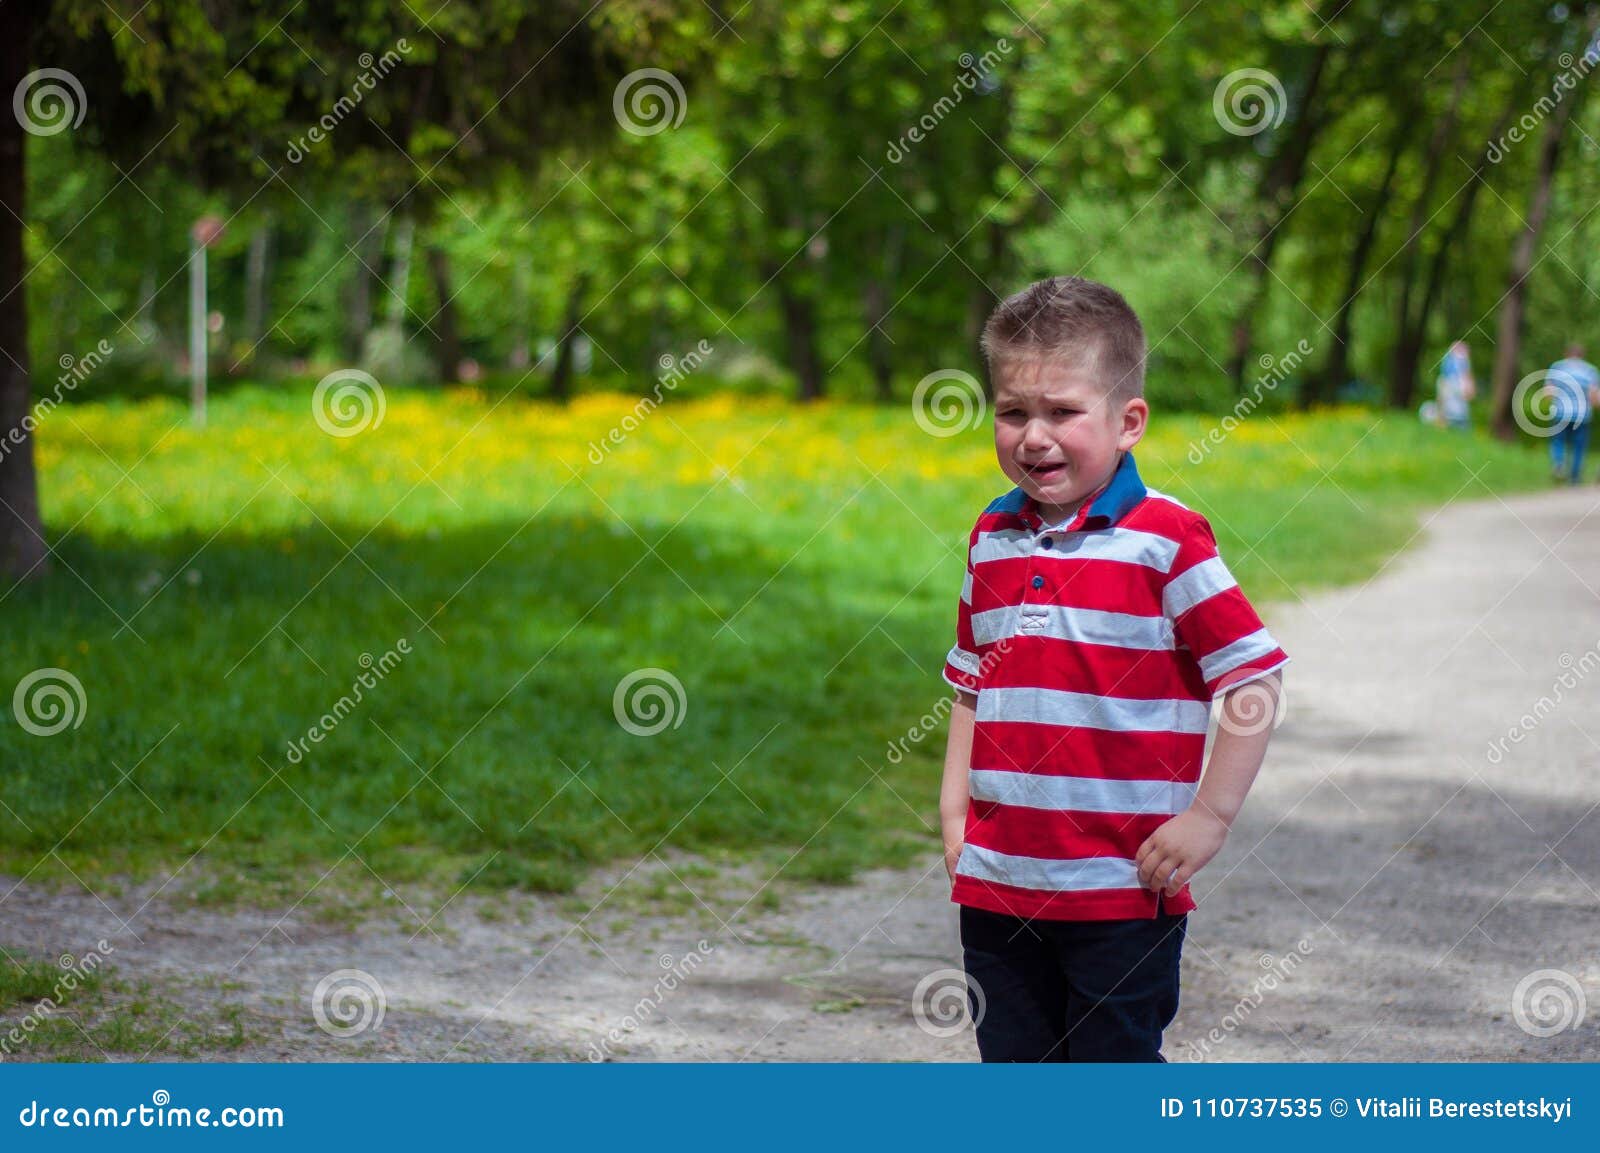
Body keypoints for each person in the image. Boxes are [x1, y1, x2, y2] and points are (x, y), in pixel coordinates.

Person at [938, 276, 1288, 1063]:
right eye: (1013, 412)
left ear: (1129, 421)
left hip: (1123, 889)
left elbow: (1252, 677)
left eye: (1063, 411)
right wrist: (955, 810)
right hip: (999, 880)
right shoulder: (991, 535)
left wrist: (1210, 816)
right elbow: (971, 683)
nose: (1034, 436)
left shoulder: (1166, 538)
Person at [1542, 344, 1599, 484]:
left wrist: (1554, 402)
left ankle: (1559, 464)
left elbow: (1548, 391)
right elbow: (1593, 396)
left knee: (1558, 441)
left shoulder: (1558, 366)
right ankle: (1575, 477)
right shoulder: (1590, 370)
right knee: (1579, 446)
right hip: (1582, 415)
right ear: (1582, 355)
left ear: (1567, 354)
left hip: (1560, 412)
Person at [1435, 340, 1476, 430]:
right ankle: (1443, 424)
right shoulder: (1451, 361)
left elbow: (1466, 376)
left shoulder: (1463, 362)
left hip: (1457, 388)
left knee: (1459, 410)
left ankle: (1456, 425)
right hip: (1450, 385)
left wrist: (1469, 387)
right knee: (1447, 407)